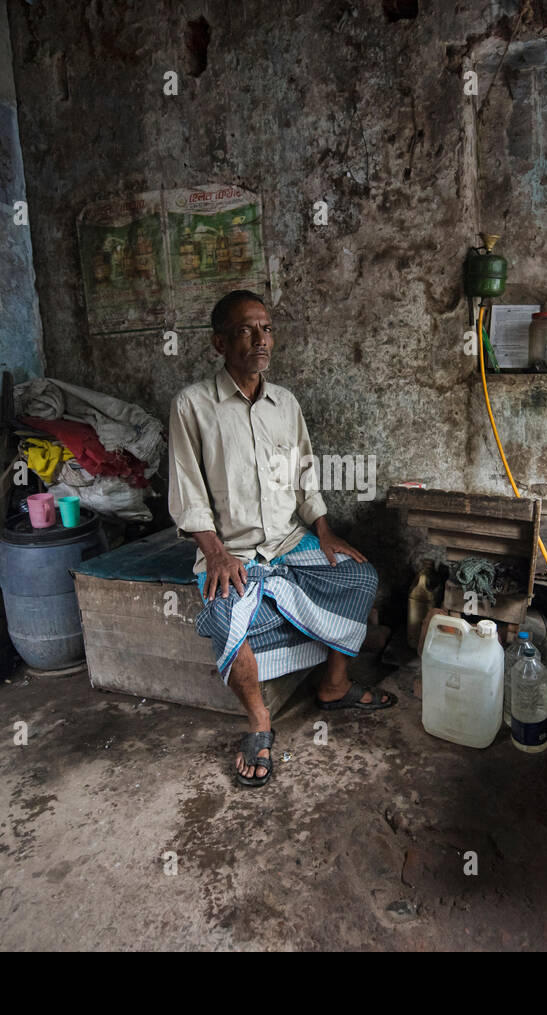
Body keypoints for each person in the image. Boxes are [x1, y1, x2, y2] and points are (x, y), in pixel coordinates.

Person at [168, 290, 394, 787]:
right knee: (226, 616)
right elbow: (188, 490)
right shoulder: (193, 405)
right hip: (231, 551)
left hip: (290, 543)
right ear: (219, 342)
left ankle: (334, 685)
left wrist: (325, 532)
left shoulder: (285, 403)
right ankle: (260, 722)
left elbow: (304, 477)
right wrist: (216, 553)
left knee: (360, 577)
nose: (260, 339)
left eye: (266, 328)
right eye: (246, 330)